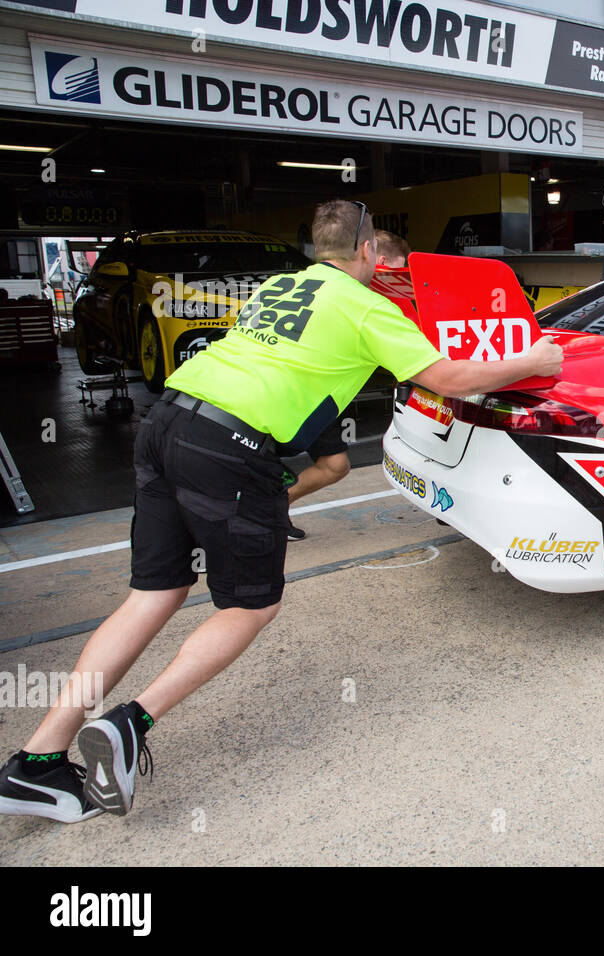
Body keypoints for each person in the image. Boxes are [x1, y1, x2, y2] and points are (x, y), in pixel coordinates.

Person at [0, 199, 562, 822]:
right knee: (251, 605)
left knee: (152, 594)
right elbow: (450, 378)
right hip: (232, 446)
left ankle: (38, 760)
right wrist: (537, 360)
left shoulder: (280, 286)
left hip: (168, 419)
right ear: (371, 252)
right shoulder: (368, 307)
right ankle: (131, 723)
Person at [283, 228, 412, 541]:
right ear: (379, 260)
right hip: (282, 391)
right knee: (241, 468)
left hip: (313, 395)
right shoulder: (362, 301)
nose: (403, 278)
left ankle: (273, 505)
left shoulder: (311, 281)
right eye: (400, 268)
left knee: (335, 464)